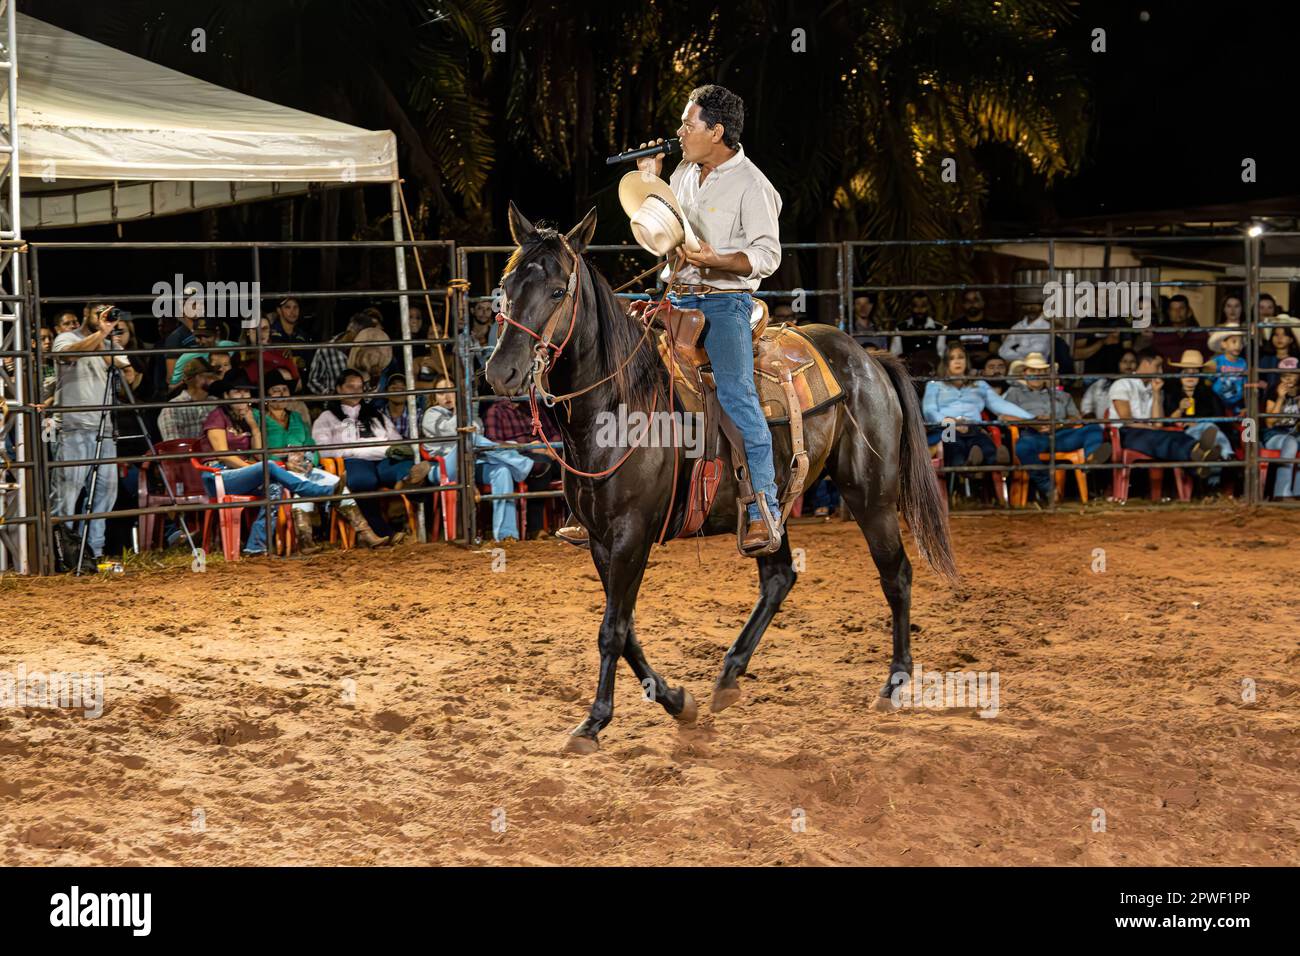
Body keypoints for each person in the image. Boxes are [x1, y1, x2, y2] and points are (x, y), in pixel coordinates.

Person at [625, 83, 785, 553]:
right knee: (617, 365)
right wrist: (650, 185)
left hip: (723, 303)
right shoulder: (682, 175)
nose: (679, 132)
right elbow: (660, 235)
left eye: (687, 124)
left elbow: (766, 256)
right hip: (676, 299)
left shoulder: (753, 185)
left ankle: (763, 509)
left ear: (716, 131)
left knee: (737, 395)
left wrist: (716, 260)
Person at [199, 370, 383, 555]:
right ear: (226, 395)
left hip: (268, 471)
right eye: (237, 392)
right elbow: (226, 454)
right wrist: (261, 468)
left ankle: (256, 546)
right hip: (220, 473)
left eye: (246, 393)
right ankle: (316, 498)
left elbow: (307, 445)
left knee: (277, 488)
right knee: (275, 472)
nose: (243, 397)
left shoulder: (253, 418)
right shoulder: (218, 416)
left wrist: (307, 459)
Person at [51, 303, 141, 566]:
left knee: (106, 490)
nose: (103, 319)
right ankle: (64, 554)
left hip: (104, 426)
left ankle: (93, 551)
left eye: (108, 314)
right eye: (97, 314)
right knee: (68, 490)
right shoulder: (66, 338)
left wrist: (124, 369)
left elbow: (129, 379)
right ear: (85, 316)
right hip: (74, 425)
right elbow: (67, 356)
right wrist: (102, 334)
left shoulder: (110, 342)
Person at [311, 368, 430, 542]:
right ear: (339, 388)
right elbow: (324, 449)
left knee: (405, 468)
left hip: (383, 459)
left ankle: (405, 482)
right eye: (350, 386)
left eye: (359, 387)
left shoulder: (376, 414)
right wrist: (370, 449)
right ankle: (383, 530)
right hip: (353, 460)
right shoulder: (327, 417)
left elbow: (395, 439)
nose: (356, 390)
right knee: (363, 480)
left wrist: (393, 449)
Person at [1003, 352, 1108, 500]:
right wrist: (1033, 422)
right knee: (1022, 446)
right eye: (1033, 371)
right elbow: (1004, 416)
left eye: (1041, 371)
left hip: (1062, 436)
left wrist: (1058, 424)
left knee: (1093, 428)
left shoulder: (1062, 396)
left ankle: (1089, 458)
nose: (1037, 375)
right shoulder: (1015, 393)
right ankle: (1048, 487)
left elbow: (1075, 418)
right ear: (1024, 373)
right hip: (1034, 436)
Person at [1106, 349, 1224, 473]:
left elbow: (1158, 423)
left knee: (1178, 435)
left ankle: (1199, 459)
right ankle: (1198, 456)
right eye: (1158, 366)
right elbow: (1127, 420)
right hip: (1127, 434)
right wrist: (1151, 428)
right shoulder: (1123, 384)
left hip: (1149, 432)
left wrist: (1156, 394)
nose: (1161, 371)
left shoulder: (1155, 387)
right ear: (1146, 363)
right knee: (1161, 439)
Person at [922, 344, 1030, 470]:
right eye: (952, 358)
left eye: (961, 357)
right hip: (947, 426)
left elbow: (1001, 405)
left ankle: (996, 462)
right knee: (954, 443)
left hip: (973, 426)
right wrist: (951, 421)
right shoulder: (935, 385)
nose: (957, 361)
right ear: (946, 363)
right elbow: (929, 410)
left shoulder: (979, 384)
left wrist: (1032, 418)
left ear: (966, 361)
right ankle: (965, 465)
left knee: (982, 442)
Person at [1164, 349, 1232, 486]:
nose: (1190, 377)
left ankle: (1213, 480)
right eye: (1186, 373)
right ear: (1180, 375)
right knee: (1210, 431)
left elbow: (1219, 417)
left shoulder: (1208, 394)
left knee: (1210, 433)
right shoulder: (1172, 394)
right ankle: (1226, 453)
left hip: (1206, 433)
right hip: (1184, 435)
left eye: (1194, 374)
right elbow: (1167, 420)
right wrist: (1180, 409)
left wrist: (1199, 422)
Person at [307, 310, 381, 397]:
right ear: (351, 331)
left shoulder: (367, 354)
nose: (363, 342)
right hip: (333, 407)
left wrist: (374, 381)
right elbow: (312, 381)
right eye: (362, 337)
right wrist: (331, 396)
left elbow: (368, 392)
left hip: (360, 406)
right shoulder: (326, 350)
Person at [1262, 357, 1300, 498]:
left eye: (1292, 374)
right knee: (1290, 442)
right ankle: (1281, 493)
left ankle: (1298, 493)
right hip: (1274, 434)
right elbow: (1269, 423)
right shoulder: (1273, 390)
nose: (1288, 379)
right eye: (1284, 375)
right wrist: (1280, 398)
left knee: (1295, 440)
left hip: (1295, 432)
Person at [158, 358, 219, 442]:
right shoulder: (172, 409)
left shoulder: (217, 403)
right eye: (211, 376)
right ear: (198, 378)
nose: (217, 379)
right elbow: (174, 446)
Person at [241, 314, 301, 388]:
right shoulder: (239, 355)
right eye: (255, 329)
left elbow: (298, 384)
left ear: (270, 331)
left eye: (265, 328)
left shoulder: (281, 350)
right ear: (247, 331)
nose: (261, 333)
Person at [890, 292, 946, 366]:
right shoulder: (901, 328)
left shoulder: (939, 329)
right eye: (915, 306)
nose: (919, 310)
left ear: (928, 307)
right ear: (911, 307)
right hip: (908, 373)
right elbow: (894, 356)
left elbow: (942, 356)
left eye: (923, 306)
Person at [1081, 349, 1138, 418]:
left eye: (1132, 361)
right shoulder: (1103, 383)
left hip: (1129, 425)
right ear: (1117, 363)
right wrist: (1089, 415)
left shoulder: (1139, 383)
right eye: (1124, 361)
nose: (1128, 364)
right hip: (1100, 425)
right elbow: (1087, 403)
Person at [944, 290, 993, 365]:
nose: (972, 304)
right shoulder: (954, 326)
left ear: (983, 303)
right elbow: (954, 350)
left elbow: (993, 352)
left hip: (986, 367)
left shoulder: (992, 326)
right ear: (963, 304)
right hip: (963, 366)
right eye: (968, 301)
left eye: (975, 300)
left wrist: (968, 354)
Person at [1207, 328, 1248, 416]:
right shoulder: (1217, 361)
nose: (1238, 346)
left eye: (1241, 343)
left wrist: (1246, 405)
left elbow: (1245, 385)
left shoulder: (1243, 363)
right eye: (1234, 341)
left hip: (1238, 401)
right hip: (1219, 400)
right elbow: (1208, 382)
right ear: (1223, 344)